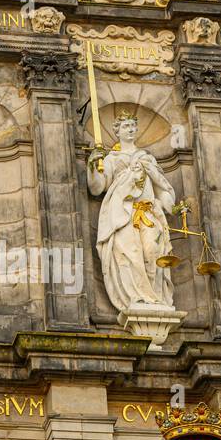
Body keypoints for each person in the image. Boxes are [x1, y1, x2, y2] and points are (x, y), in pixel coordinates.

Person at [87, 112, 179, 311]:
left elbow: (161, 187)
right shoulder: (112, 159)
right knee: (130, 254)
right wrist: (93, 166)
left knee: (153, 251)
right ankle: (135, 297)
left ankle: (155, 297)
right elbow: (97, 187)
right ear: (117, 131)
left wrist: (172, 207)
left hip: (147, 213)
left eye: (132, 126)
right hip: (123, 215)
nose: (130, 129)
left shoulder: (147, 159)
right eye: (125, 126)